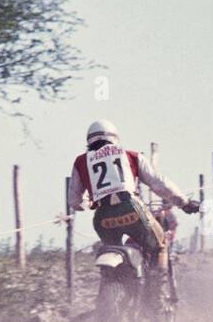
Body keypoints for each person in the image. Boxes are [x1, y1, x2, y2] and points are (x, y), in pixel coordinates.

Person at [66, 119, 199, 307]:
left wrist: (88, 203)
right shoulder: (130, 155)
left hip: (103, 217)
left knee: (111, 253)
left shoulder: (81, 162)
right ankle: (156, 298)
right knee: (159, 244)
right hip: (132, 209)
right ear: (114, 138)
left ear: (89, 141)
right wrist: (183, 202)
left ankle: (117, 294)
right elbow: (158, 183)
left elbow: (74, 201)